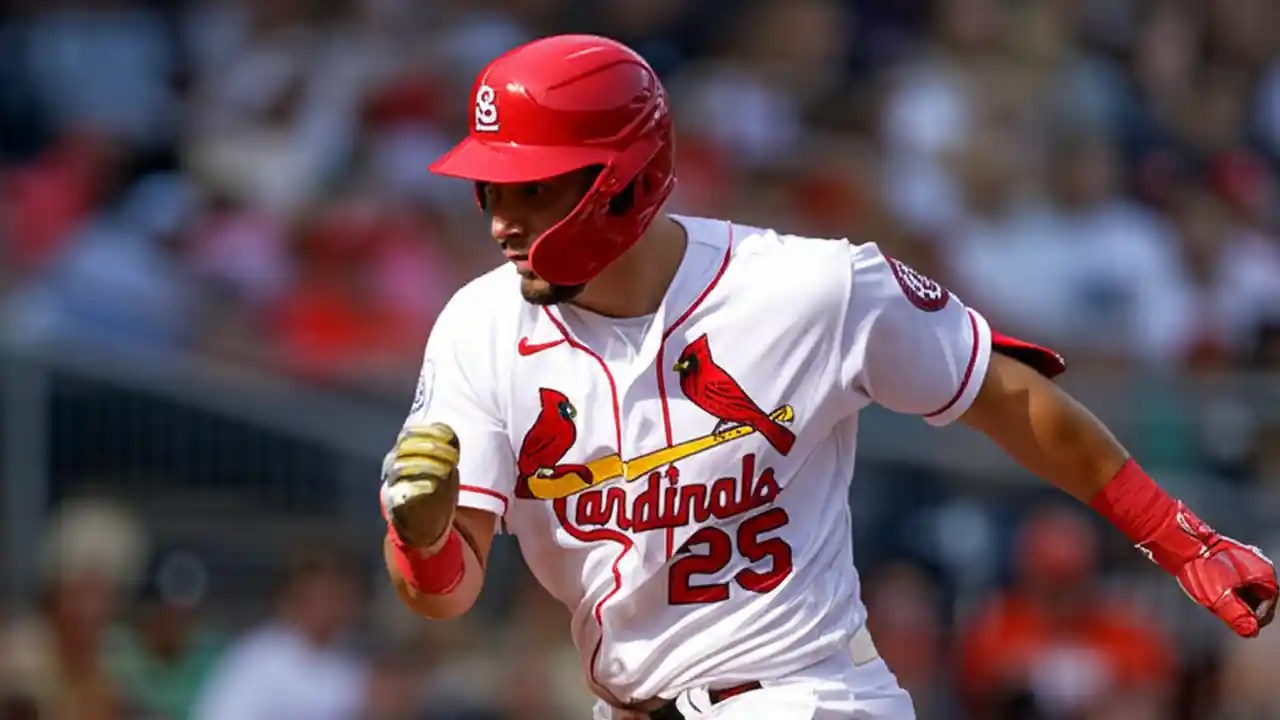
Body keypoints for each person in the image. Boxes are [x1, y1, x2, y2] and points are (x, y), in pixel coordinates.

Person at [378, 34, 1278, 720]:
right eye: (493, 190)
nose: (503, 219)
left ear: (626, 178)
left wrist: (1181, 537)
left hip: (805, 694)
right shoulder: (479, 327)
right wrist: (418, 541)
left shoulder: (808, 288)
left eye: (534, 188)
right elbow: (445, 595)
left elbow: (1002, 395)